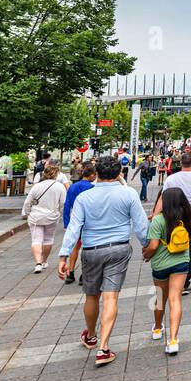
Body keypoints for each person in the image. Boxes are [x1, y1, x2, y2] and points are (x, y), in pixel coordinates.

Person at [58, 156, 149, 366]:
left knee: (91, 296)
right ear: (119, 173)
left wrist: (64, 255)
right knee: (110, 297)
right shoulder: (128, 193)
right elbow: (141, 224)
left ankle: (91, 335)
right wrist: (147, 245)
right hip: (118, 248)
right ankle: (104, 347)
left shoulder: (84, 197)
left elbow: (74, 228)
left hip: (91, 250)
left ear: (96, 173)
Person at [156, 150, 191, 296]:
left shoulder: (171, 179)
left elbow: (162, 198)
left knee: (173, 246)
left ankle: (172, 277)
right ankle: (185, 283)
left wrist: (155, 215)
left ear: (180, 163)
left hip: (173, 220)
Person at [143, 186, 191, 355]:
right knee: (175, 298)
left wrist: (146, 255)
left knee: (159, 297)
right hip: (181, 263)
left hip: (160, 265)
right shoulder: (188, 217)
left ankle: (157, 329)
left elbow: (153, 246)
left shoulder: (158, 220)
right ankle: (173, 341)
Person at [22, 161, 67, 272]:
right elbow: (63, 203)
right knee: (48, 239)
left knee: (36, 239)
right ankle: (44, 261)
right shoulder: (60, 187)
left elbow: (27, 202)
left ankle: (37, 263)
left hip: (36, 216)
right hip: (52, 216)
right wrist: (60, 214)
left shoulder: (37, 186)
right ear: (56, 174)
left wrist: (27, 213)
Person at [62, 161, 97, 284]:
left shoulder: (72, 187)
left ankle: (70, 273)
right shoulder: (92, 187)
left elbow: (66, 205)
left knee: (74, 247)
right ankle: (84, 274)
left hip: (75, 220)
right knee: (87, 247)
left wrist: (66, 223)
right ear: (91, 175)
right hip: (88, 221)